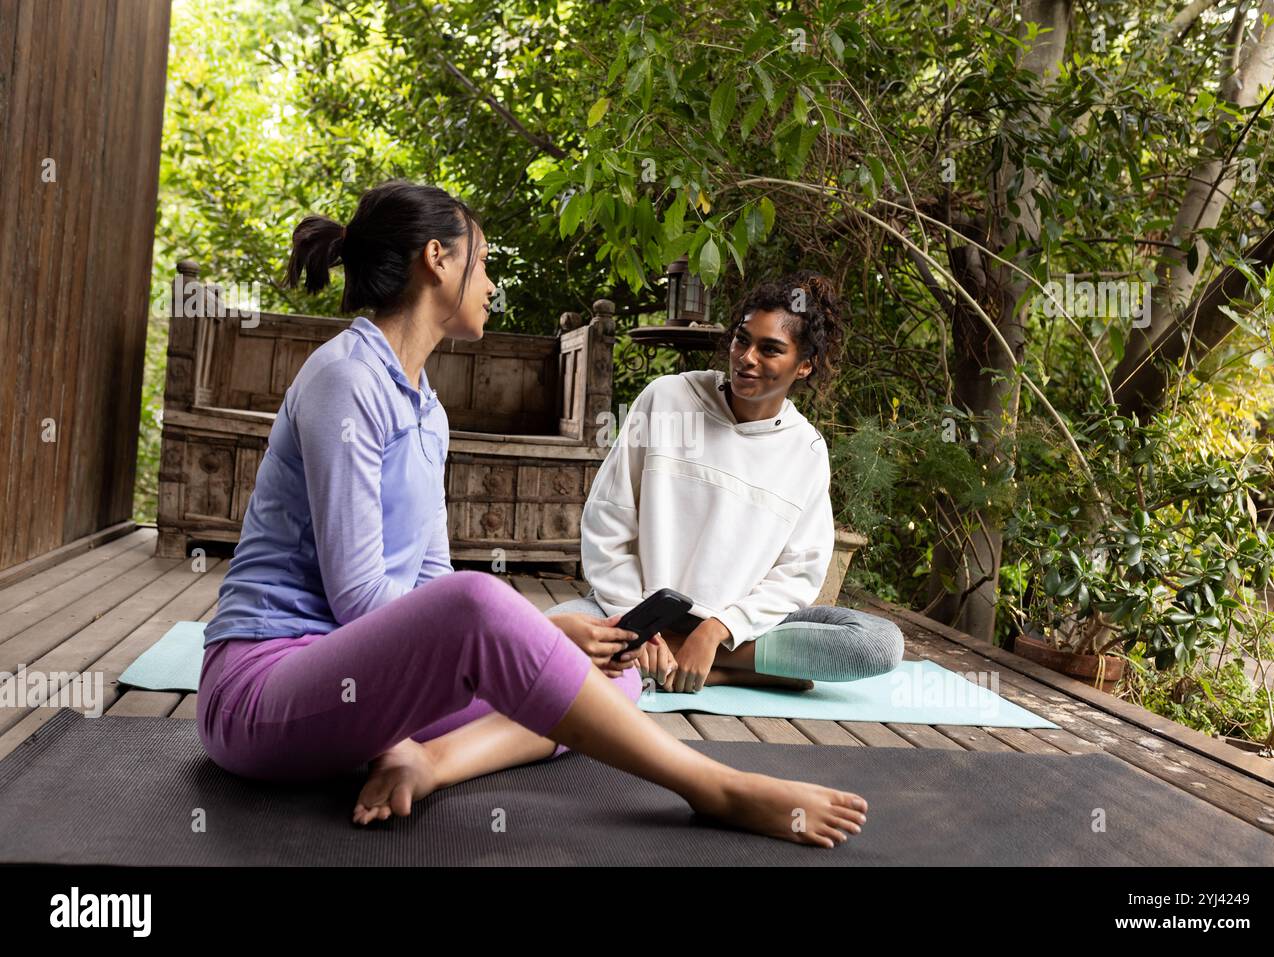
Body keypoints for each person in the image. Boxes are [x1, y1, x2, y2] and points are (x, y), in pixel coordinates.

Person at [196, 180, 867, 848]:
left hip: (365, 699)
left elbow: (429, 578)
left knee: (614, 674)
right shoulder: (347, 378)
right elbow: (362, 601)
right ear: (438, 259)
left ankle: (431, 761)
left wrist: (551, 639)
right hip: (267, 691)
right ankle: (714, 785)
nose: (489, 285)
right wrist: (528, 634)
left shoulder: (428, 410)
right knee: (482, 606)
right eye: (482, 262)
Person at [547, 273, 905, 693]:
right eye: (742, 339)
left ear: (805, 365)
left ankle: (698, 662)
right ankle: (730, 669)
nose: (746, 357)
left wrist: (716, 630)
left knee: (879, 644)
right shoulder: (667, 399)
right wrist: (637, 623)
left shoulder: (806, 450)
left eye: (769, 349)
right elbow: (609, 519)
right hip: (639, 612)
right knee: (543, 634)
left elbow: (800, 571)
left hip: (740, 629)